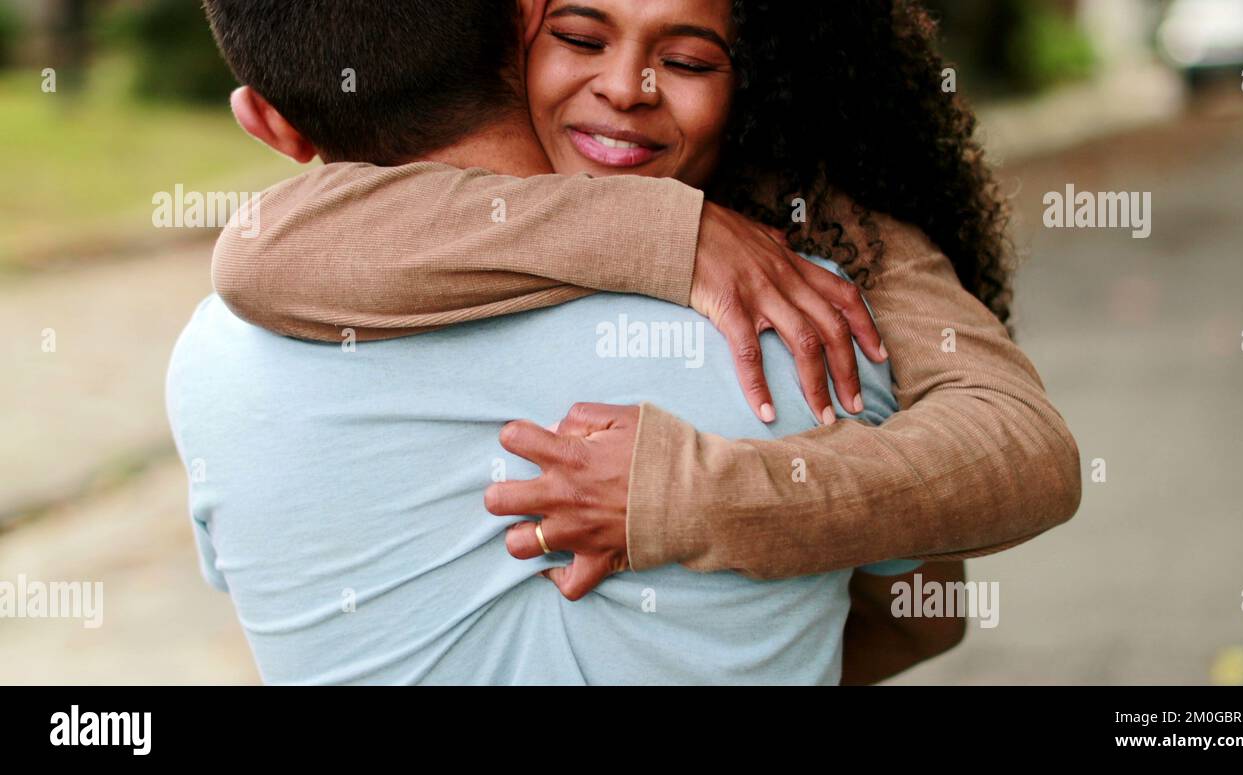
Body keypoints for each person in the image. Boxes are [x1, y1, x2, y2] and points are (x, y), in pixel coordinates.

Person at [210, 0, 1081, 597]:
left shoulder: (817, 218)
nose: (628, 87)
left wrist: (688, 496)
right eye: (581, 38)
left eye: (689, 60)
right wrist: (673, 232)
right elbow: (258, 255)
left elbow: (1026, 447)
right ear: (519, 34)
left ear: (760, 78)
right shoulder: (453, 187)